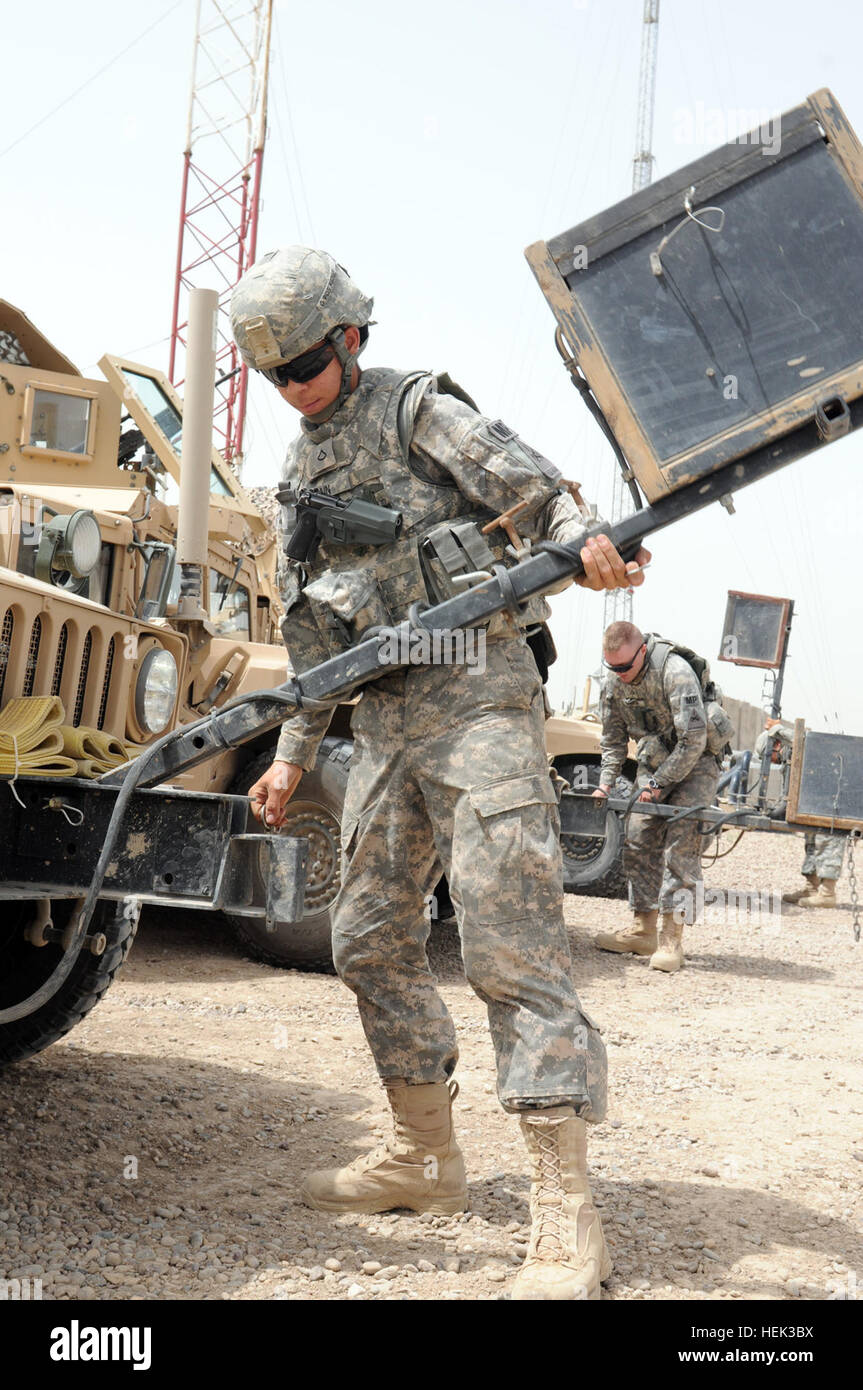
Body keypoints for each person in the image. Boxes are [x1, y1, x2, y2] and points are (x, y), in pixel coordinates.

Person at [230, 245, 650, 1300]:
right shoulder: (297, 480)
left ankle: (563, 1214)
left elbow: (541, 493)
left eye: (307, 366)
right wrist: (288, 757)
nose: (295, 389)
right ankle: (424, 1155)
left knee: (508, 936)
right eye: (273, 377)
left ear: (350, 339)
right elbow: (311, 634)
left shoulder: (419, 410)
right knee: (364, 933)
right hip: (380, 725)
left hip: (477, 699)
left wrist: (588, 540)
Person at [592, 622, 723, 973]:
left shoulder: (675, 673)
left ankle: (672, 939)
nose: (619, 675)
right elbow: (612, 741)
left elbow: (693, 741)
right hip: (655, 760)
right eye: (612, 667)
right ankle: (643, 929)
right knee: (637, 838)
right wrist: (605, 783)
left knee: (681, 847)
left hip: (696, 763)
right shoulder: (612, 683)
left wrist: (660, 784)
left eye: (625, 667)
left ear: (643, 652)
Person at [754, 720, 846, 908]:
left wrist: (777, 729)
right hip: (814, 805)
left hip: (833, 804)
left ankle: (827, 894)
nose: (772, 761)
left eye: (769, 756)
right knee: (811, 843)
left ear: (777, 745)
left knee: (827, 843)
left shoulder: (800, 745)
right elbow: (786, 795)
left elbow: (805, 740)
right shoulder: (789, 756)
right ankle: (811, 888)